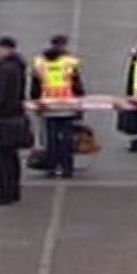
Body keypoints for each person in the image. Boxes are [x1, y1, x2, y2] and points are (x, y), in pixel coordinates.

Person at [29, 34, 86, 179]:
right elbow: (77, 86)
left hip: (48, 107)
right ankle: (67, 168)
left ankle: (51, 167)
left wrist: (36, 104)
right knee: (66, 140)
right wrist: (80, 105)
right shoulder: (69, 63)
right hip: (67, 107)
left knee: (51, 139)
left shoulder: (40, 63)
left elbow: (35, 87)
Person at [0, 36, 29, 206]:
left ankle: (5, 192)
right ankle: (14, 190)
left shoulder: (3, 69)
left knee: (2, 158)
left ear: (7, 49)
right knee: (12, 157)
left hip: (3, 119)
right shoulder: (18, 67)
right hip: (16, 118)